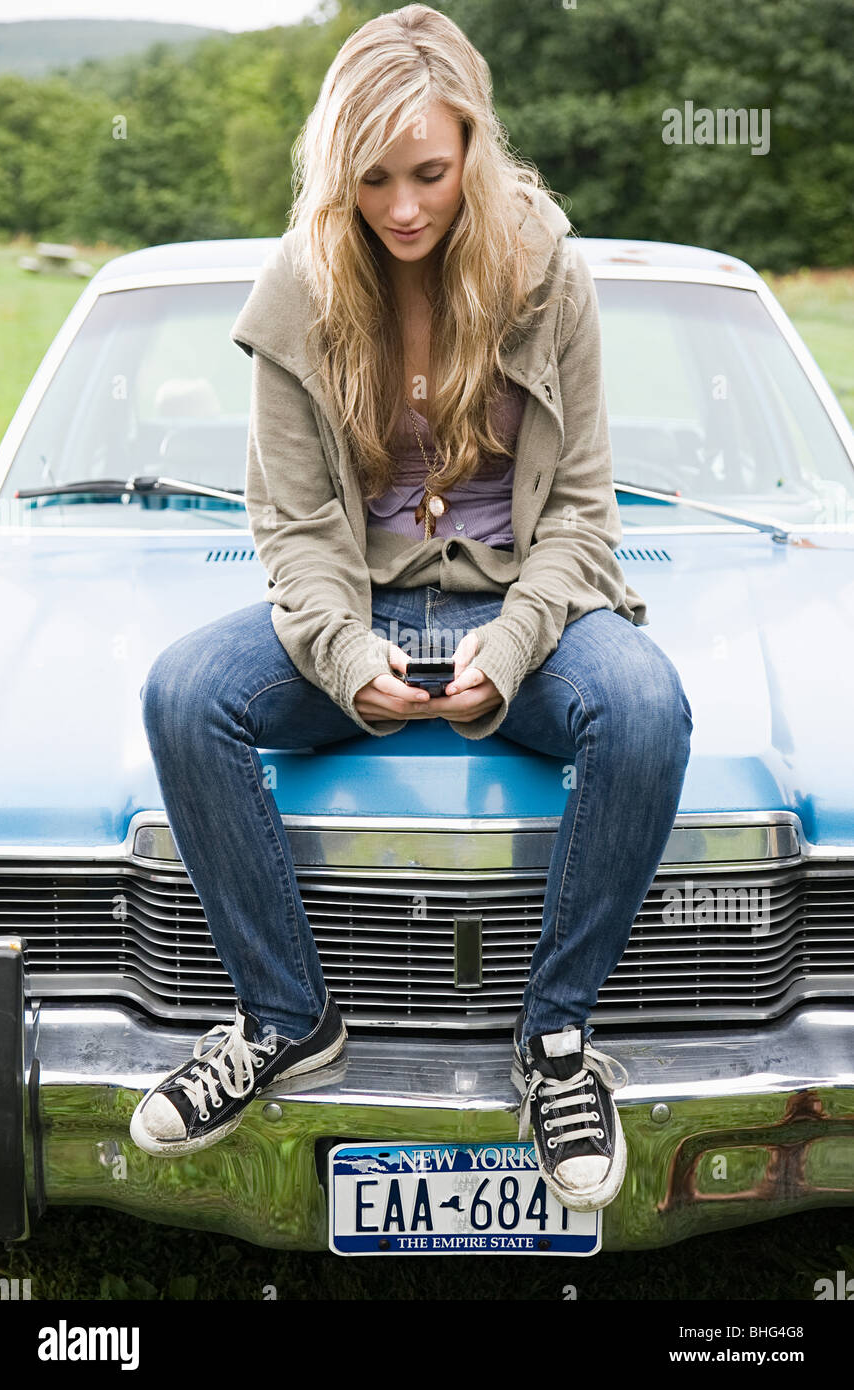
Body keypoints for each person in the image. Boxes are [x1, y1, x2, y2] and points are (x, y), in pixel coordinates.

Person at [129, 4, 692, 1214]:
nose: (400, 207)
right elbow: (289, 525)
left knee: (645, 707)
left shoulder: (548, 272)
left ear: (473, 147)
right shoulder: (297, 289)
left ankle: (552, 1046)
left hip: (517, 610)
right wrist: (341, 657)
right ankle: (284, 1014)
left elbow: (583, 516)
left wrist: (514, 638)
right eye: (371, 179)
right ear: (336, 174)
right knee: (184, 692)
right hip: (361, 606)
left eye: (428, 172)